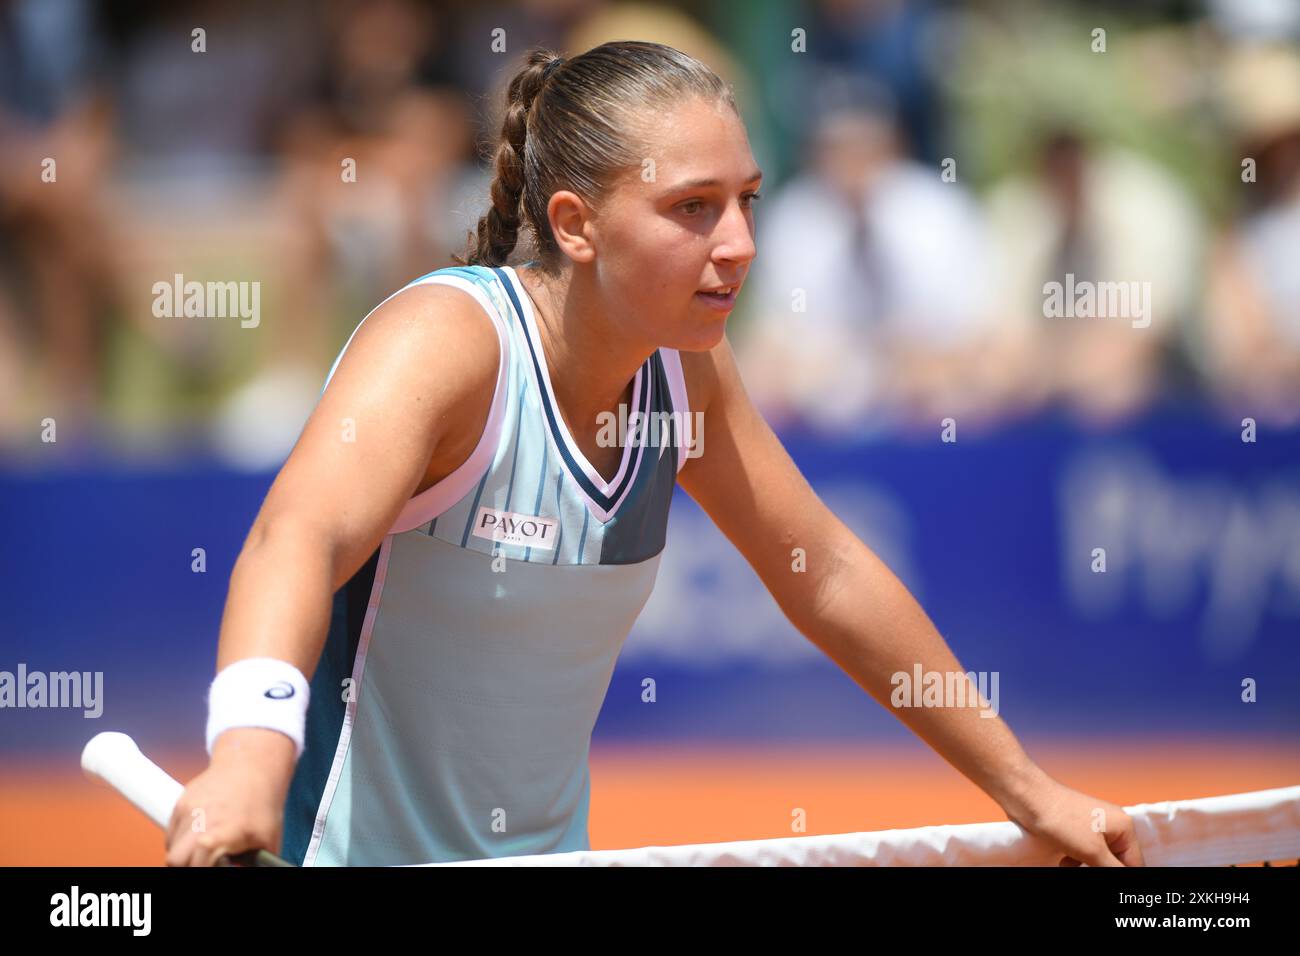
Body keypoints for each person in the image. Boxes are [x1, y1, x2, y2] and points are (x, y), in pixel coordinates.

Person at [164, 41, 1144, 867]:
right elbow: (296, 535)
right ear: (575, 226)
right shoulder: (446, 342)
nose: (740, 244)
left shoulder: (687, 378)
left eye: (749, 200)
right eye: (693, 207)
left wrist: (1025, 788)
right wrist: (251, 752)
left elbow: (827, 574)